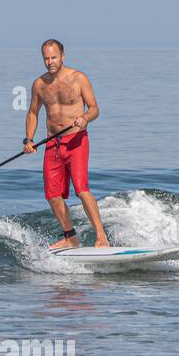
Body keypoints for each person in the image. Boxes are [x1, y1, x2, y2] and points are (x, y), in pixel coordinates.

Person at [23, 39, 111, 250]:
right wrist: (28, 139)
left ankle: (101, 237)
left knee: (81, 189)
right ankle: (70, 238)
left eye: (54, 57)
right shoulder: (39, 85)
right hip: (53, 144)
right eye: (46, 58)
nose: (50, 62)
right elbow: (33, 113)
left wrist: (85, 118)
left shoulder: (78, 78)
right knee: (52, 196)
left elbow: (95, 108)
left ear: (63, 56)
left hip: (76, 141)